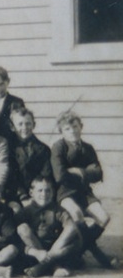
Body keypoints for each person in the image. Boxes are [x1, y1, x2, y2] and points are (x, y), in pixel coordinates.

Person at [51, 111, 116, 269]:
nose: (72, 131)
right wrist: (86, 172)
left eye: (75, 126)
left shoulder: (88, 148)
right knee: (77, 214)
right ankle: (97, 253)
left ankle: (78, 251)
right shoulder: (59, 147)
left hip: (84, 192)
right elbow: (60, 176)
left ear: (81, 127)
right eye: (67, 128)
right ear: (61, 131)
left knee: (104, 217)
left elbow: (98, 173)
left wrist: (79, 172)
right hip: (65, 192)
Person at [17, 177, 83, 278]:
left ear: (52, 193)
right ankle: (54, 267)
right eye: (40, 190)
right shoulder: (25, 211)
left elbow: (71, 227)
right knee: (22, 228)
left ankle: (44, 265)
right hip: (36, 250)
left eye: (48, 191)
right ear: (31, 193)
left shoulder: (58, 210)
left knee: (74, 234)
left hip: (55, 249)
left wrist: (51, 253)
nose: (44, 194)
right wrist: (38, 253)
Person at [6, 108, 52, 206]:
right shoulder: (8, 148)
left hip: (38, 195)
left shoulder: (43, 149)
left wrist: (35, 195)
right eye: (20, 124)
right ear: (12, 127)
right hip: (14, 195)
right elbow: (10, 177)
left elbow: (45, 174)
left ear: (33, 125)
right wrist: (23, 196)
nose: (24, 127)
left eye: (28, 123)